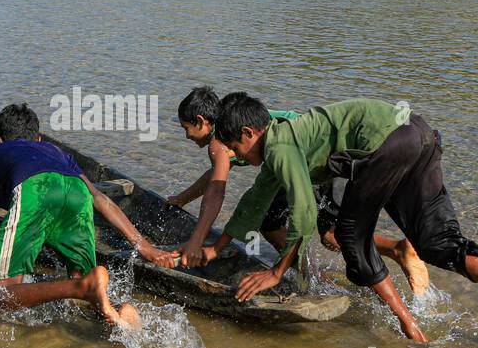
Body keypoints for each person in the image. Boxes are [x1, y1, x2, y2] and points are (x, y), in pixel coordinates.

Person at [202, 93, 478, 348]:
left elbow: (303, 213)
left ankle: (410, 325)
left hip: (390, 146)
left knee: (347, 235)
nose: (232, 156)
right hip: (419, 135)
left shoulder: (279, 148)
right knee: (438, 244)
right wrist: (216, 247)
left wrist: (277, 272)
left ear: (250, 134)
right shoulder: (280, 136)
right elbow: (254, 201)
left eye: (234, 147)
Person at [167, 86, 428, 293]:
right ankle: (347, 269)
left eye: (186, 128)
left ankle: (314, 279)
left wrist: (198, 241)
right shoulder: (235, 120)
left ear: (201, 122)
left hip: (308, 162)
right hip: (328, 156)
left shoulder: (220, 140)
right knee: (332, 235)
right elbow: (215, 175)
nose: (187, 136)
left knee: (279, 224)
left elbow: (217, 189)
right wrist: (183, 198)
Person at [0, 103, 177, 330]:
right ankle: (120, 310)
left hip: (36, 190)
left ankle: (80, 287)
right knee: (91, 298)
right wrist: (145, 246)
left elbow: (11, 207)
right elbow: (99, 198)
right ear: (38, 139)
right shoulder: (58, 153)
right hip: (78, 192)